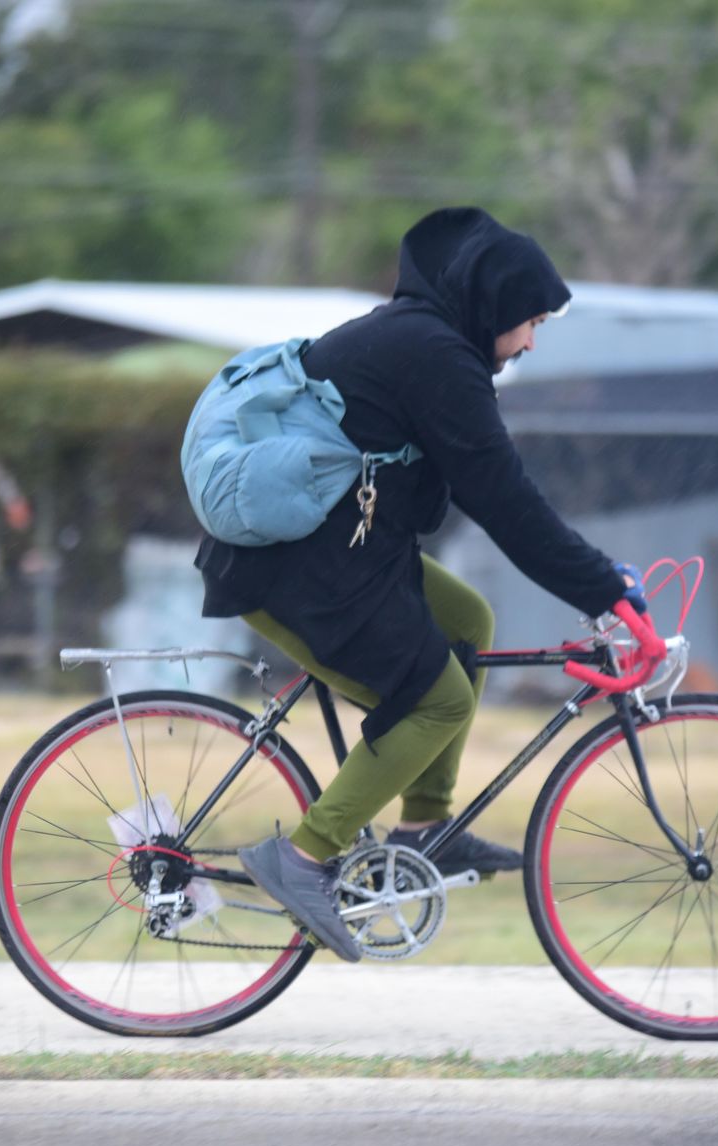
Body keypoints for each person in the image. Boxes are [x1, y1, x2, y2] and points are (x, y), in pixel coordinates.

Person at [196, 207, 644, 962]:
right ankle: (303, 857)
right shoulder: (434, 353)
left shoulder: (436, 343)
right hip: (293, 566)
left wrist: (599, 582)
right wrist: (605, 588)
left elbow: (481, 493)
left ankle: (424, 827)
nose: (532, 338)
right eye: (531, 320)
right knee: (440, 699)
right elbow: (506, 501)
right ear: (493, 306)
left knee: (466, 620)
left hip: (338, 551)